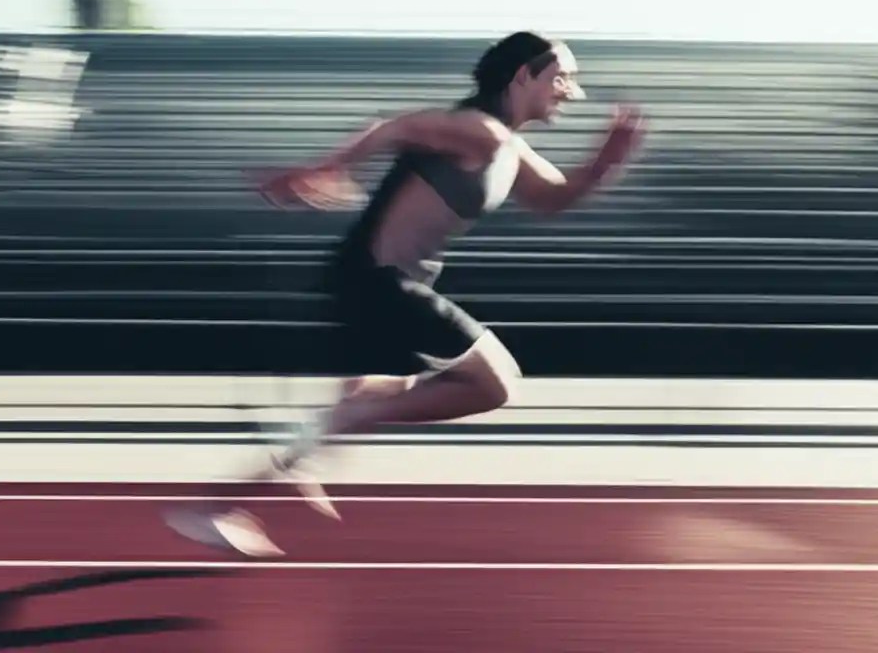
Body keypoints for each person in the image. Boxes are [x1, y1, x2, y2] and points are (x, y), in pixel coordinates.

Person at [163, 31, 647, 557]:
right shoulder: (476, 130)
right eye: (561, 78)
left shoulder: (509, 148)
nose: (569, 91)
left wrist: (605, 161)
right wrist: (327, 167)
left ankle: (211, 507)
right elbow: (395, 127)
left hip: (383, 283)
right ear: (523, 75)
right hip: (378, 282)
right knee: (494, 384)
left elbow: (553, 200)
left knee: (370, 399)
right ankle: (312, 442)